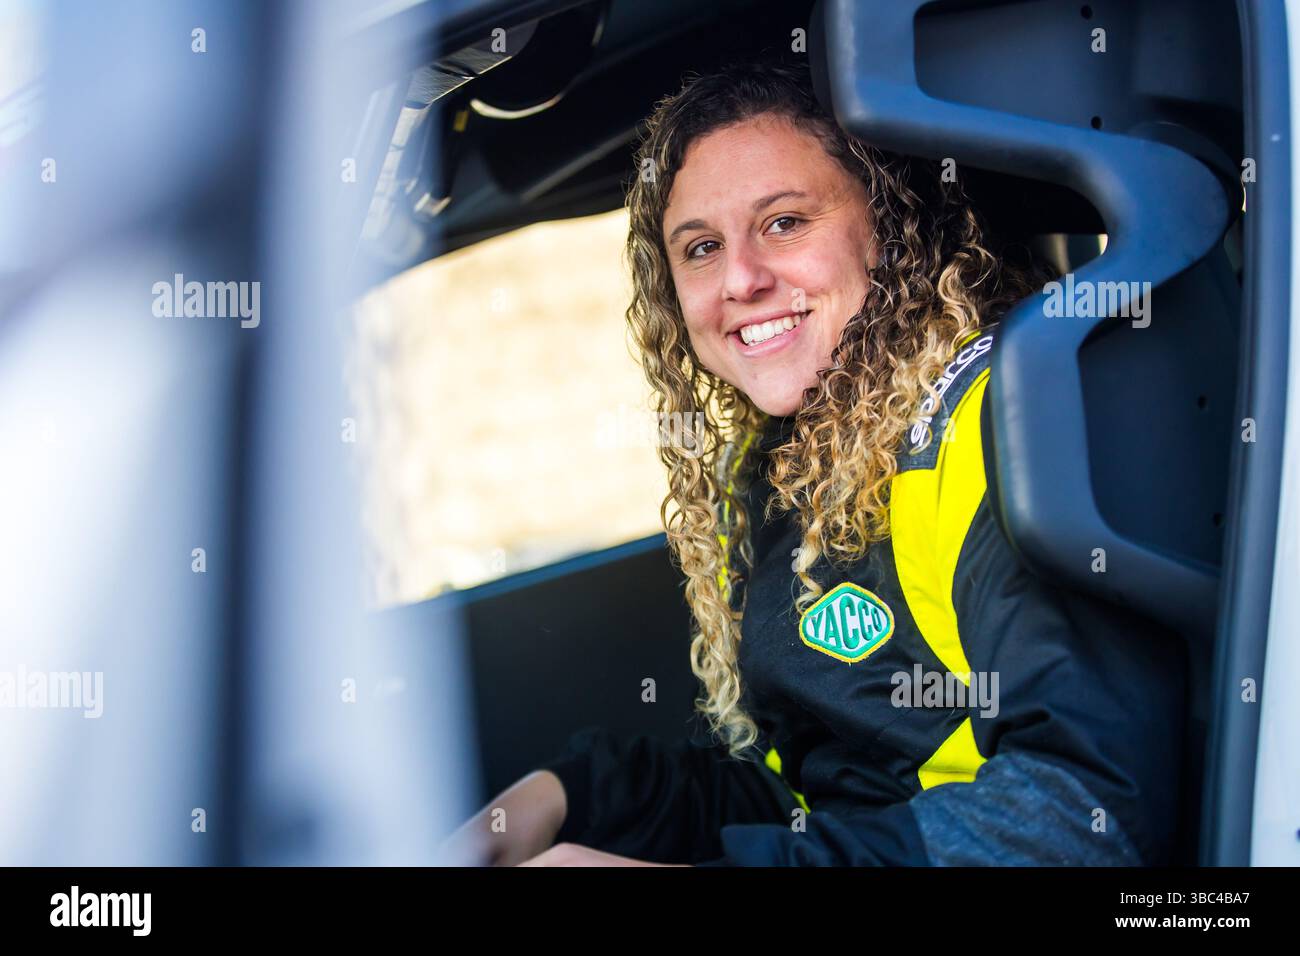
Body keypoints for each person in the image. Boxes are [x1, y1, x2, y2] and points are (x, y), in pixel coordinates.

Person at [445, 58, 1187, 867]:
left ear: (892, 226)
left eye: (785, 222)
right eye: (700, 247)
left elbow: (1083, 814)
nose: (741, 278)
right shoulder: (776, 470)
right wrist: (568, 796)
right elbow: (816, 797)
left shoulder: (997, 432)